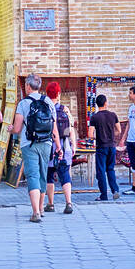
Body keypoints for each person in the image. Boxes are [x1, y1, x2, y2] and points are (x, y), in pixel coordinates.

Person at [11, 74, 61, 222]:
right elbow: (54, 127)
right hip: (46, 143)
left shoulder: (23, 104)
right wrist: (58, 145)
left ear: (27, 86)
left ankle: (35, 213)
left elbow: (18, 128)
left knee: (32, 175)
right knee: (42, 174)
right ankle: (41, 208)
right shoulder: (48, 102)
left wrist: (11, 129)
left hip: (29, 144)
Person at [42, 83, 75, 215]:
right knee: (65, 174)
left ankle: (50, 204)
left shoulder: (45, 109)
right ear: (59, 94)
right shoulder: (65, 109)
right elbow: (70, 129)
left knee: (49, 175)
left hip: (50, 147)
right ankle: (68, 203)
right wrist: (74, 145)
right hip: (64, 145)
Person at [88, 93, 121, 201]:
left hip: (101, 146)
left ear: (97, 104)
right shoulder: (113, 115)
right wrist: (112, 135)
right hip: (112, 146)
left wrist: (95, 138)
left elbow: (90, 134)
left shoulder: (94, 117)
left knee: (101, 170)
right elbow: (119, 130)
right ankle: (115, 190)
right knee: (110, 169)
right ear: (106, 103)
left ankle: (103, 195)